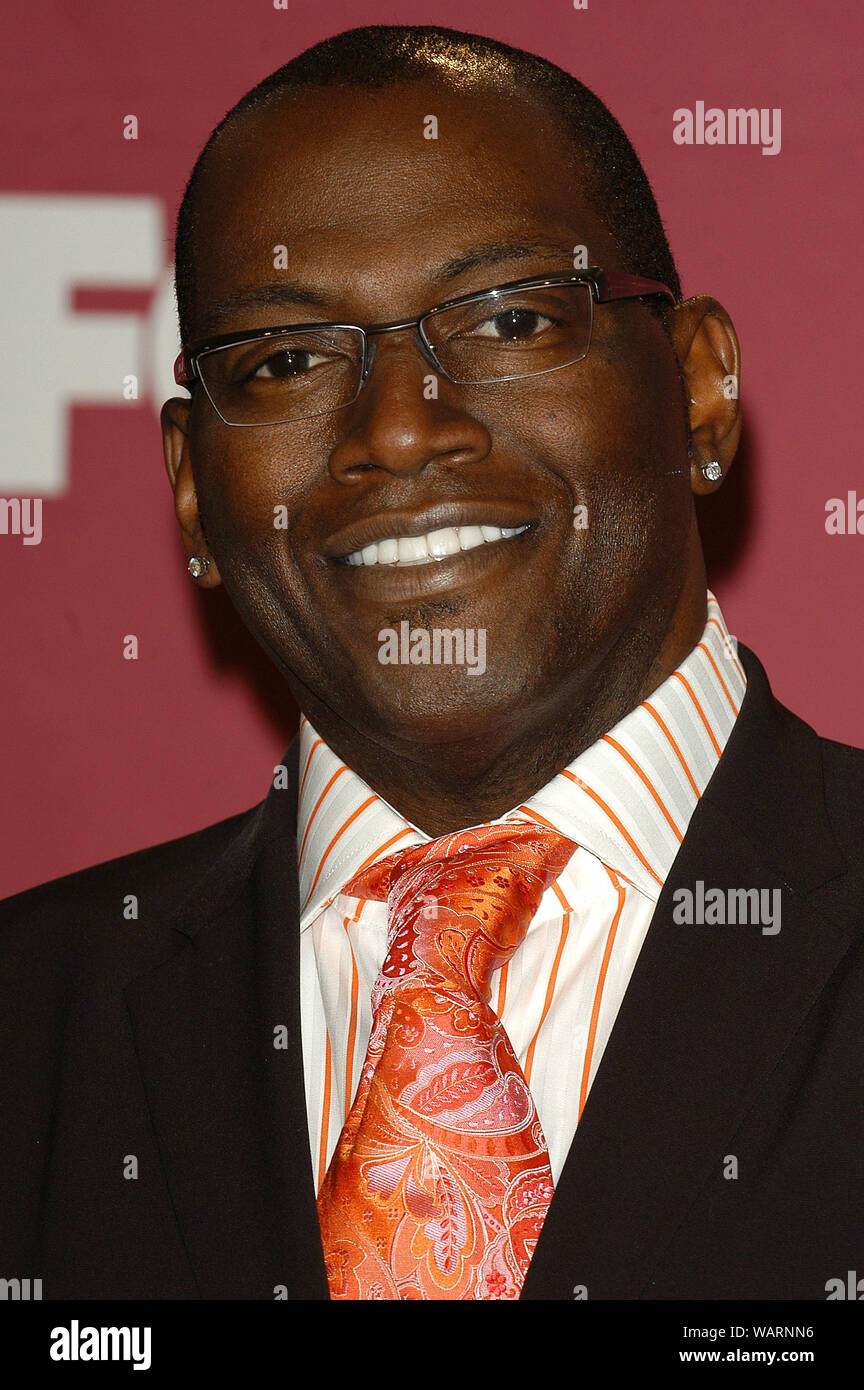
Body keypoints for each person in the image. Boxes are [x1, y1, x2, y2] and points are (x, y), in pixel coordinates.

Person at [1, 23, 862, 1302]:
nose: (399, 429)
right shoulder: (27, 1029)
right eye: (287, 359)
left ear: (698, 390)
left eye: (511, 317)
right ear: (190, 491)